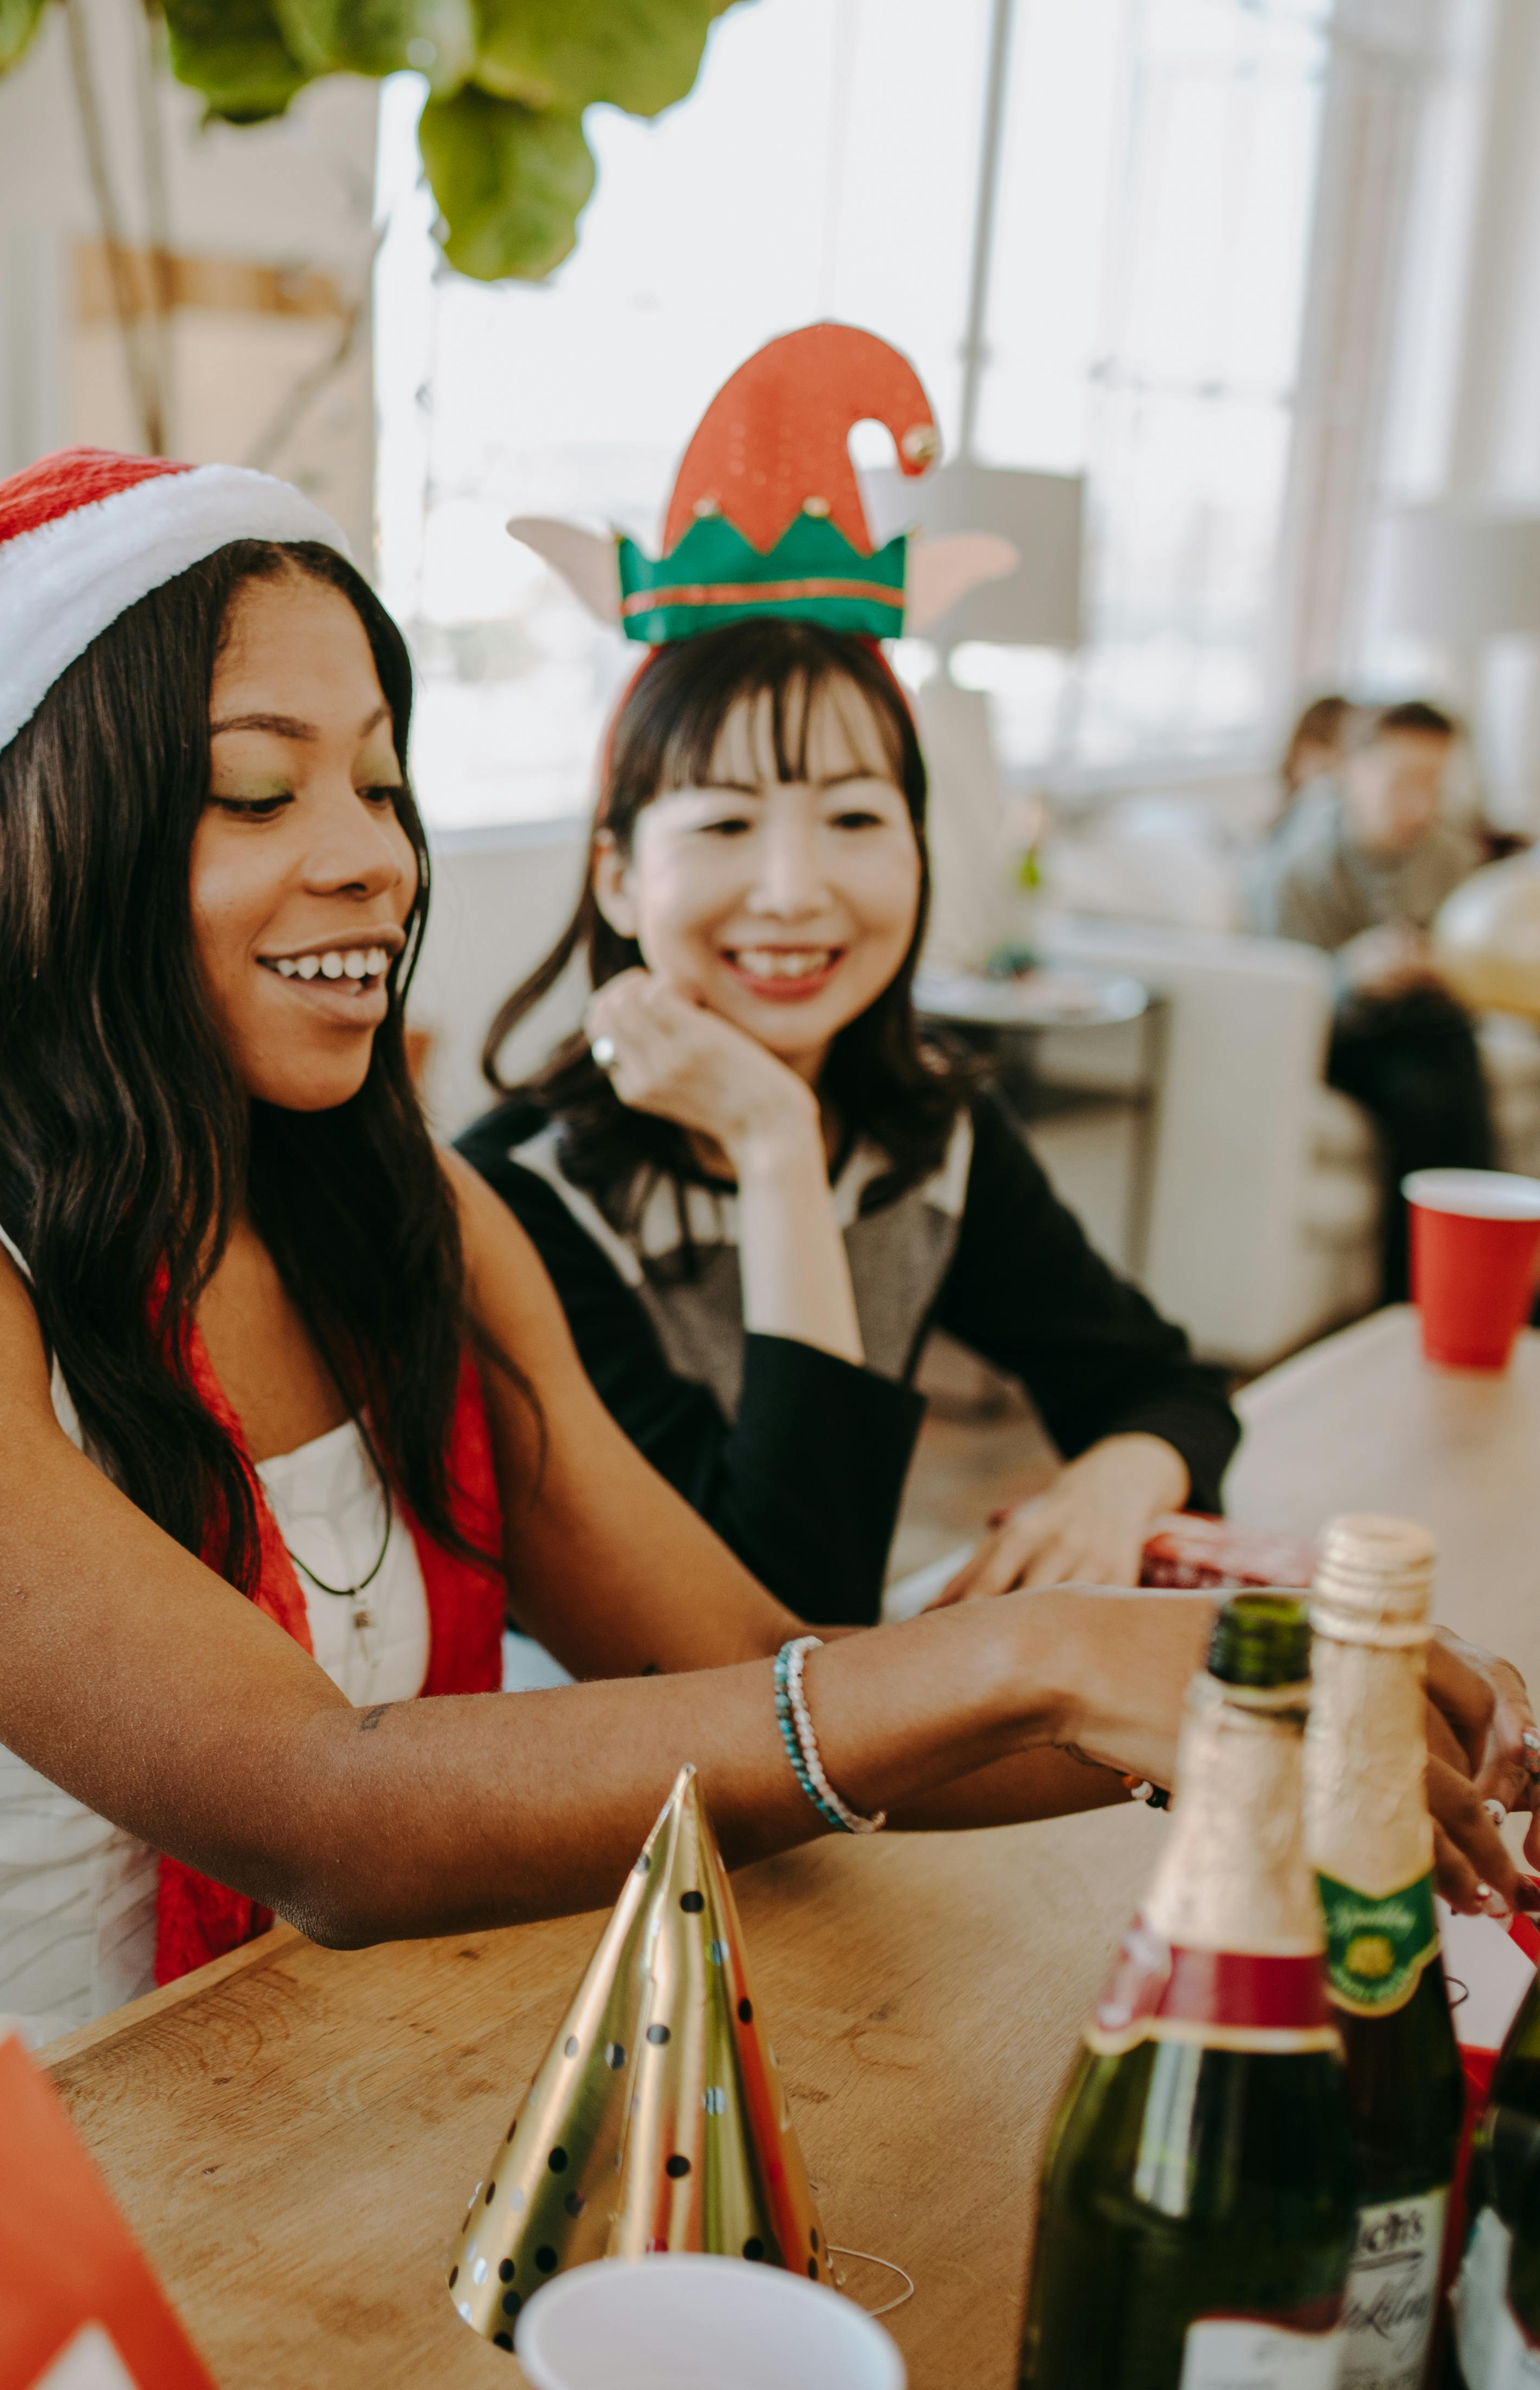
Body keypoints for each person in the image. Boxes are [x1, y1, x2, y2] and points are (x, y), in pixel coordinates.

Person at [0, 446, 1540, 2210]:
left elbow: (756, 1666)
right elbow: (327, 1807)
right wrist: (1035, 1646)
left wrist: (1261, 1684)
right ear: (36, 837)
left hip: (320, 2089)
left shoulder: (399, 1215)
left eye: (379, 783)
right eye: (255, 786)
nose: (368, 856)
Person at [460, 327, 1239, 1628]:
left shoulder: (925, 1139)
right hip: (598, 1777)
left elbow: (1169, 1388)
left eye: (854, 818)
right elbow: (768, 1608)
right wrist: (772, 1142)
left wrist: (1120, 1478)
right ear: (615, 877)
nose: (792, 888)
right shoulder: (517, 1198)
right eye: (722, 823)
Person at [1252, 699, 1504, 1303]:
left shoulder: (1450, 855)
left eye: (1434, 784)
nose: (1420, 804)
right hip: (1332, 1038)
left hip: (1423, 1029)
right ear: (1352, 770)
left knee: (1445, 1048)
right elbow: (1277, 1016)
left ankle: (1455, 1285)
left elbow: (1475, 977)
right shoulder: (1294, 870)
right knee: (1429, 1080)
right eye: (1403, 782)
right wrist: (1353, 976)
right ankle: (1442, 1291)